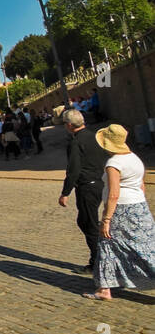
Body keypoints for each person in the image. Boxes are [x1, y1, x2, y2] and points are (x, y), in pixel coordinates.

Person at [86, 124, 155, 299]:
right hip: (139, 207)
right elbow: (141, 185)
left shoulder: (113, 163)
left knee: (107, 243)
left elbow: (114, 193)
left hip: (122, 209)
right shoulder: (135, 158)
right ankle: (105, 287)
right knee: (146, 247)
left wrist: (107, 219)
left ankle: (104, 289)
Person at [58, 108, 109, 272]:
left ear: (69, 125)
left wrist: (65, 193)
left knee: (89, 224)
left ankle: (98, 262)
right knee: (85, 221)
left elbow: (73, 169)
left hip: (87, 186)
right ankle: (98, 257)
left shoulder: (75, 142)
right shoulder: (95, 136)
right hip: (99, 182)